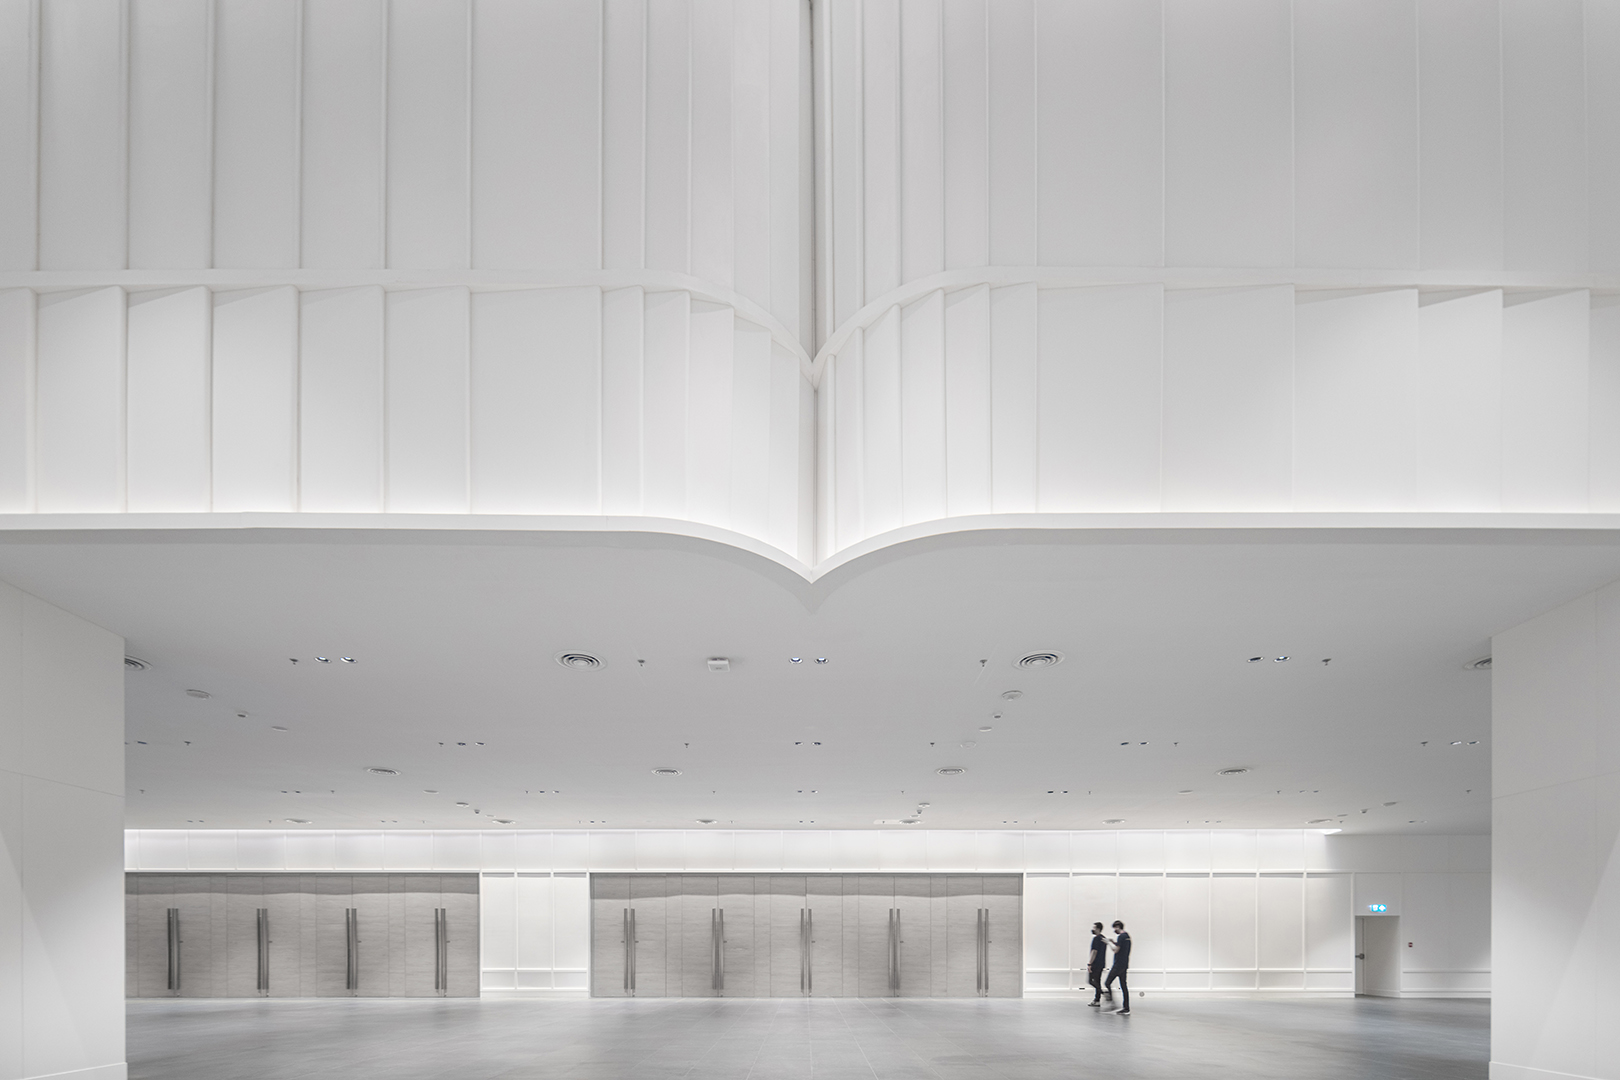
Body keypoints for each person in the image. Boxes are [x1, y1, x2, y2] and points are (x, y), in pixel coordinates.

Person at [1104, 920, 1131, 1014]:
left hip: (1118, 965)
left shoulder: (1121, 936)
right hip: (1124, 964)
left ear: (1118, 927)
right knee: (1124, 986)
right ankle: (1126, 1007)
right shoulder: (1127, 936)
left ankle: (1112, 1003)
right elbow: (1121, 948)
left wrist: (1109, 943)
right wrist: (1114, 942)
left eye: (1115, 928)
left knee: (1107, 983)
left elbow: (1116, 950)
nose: (1114, 930)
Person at [1085, 922, 1109, 1006]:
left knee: (1091, 981)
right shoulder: (1103, 938)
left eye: (1094, 928)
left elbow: (1094, 952)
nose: (1093, 929)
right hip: (1101, 963)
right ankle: (1097, 1000)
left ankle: (1102, 992)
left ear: (1098, 929)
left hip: (1095, 964)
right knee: (1097, 981)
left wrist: (1089, 963)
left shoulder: (1096, 939)